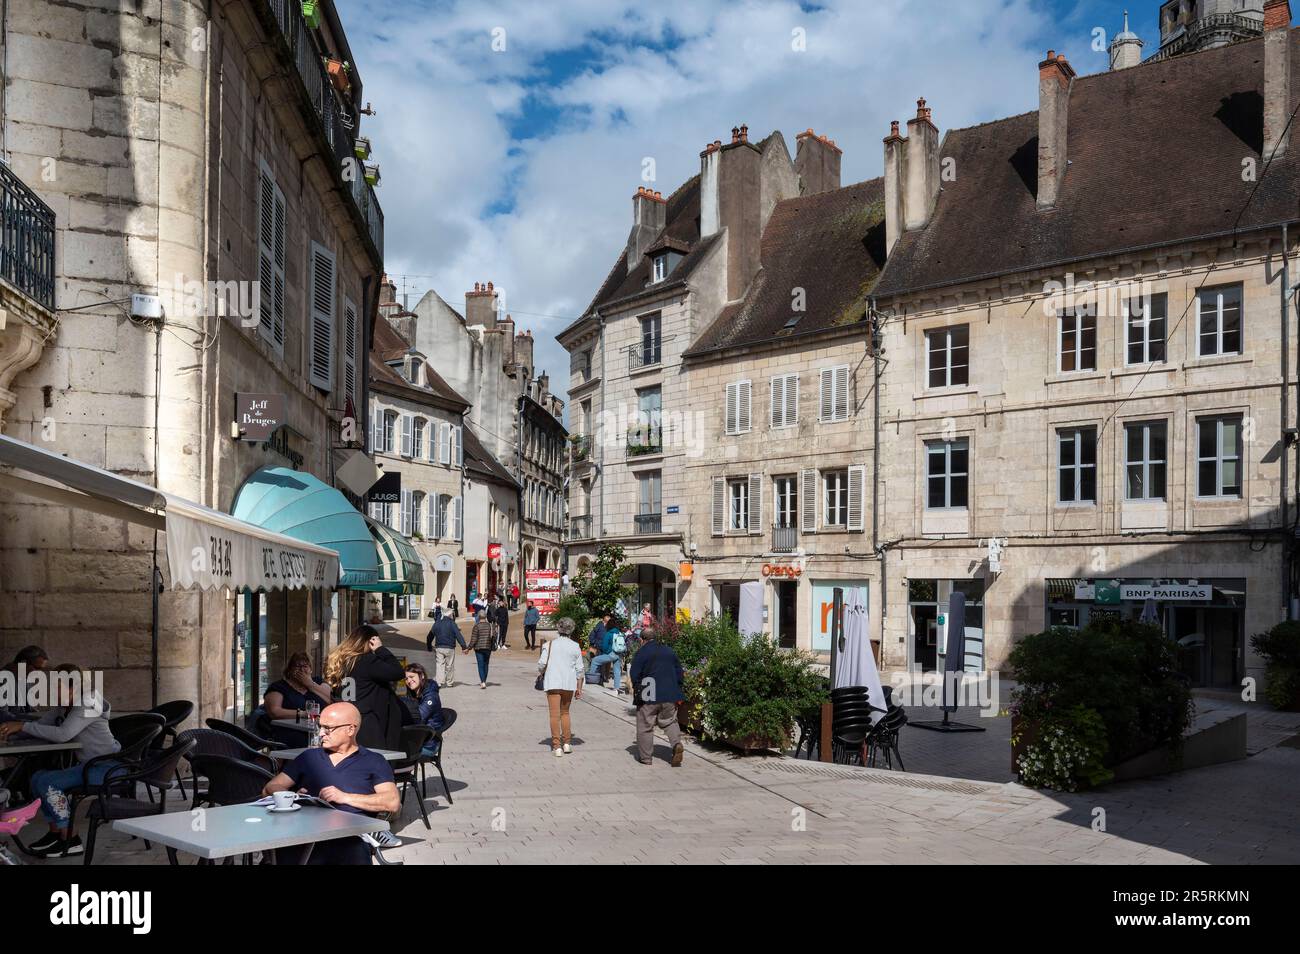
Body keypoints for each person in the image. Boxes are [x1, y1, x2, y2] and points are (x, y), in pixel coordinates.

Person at [0, 664, 120, 857]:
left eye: (57, 687)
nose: (52, 692)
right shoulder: (66, 706)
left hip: (107, 767)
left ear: (74, 687)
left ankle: (70, 839)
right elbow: (41, 726)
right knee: (38, 778)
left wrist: (22, 725)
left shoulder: (88, 704)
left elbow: (63, 734)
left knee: (49, 783)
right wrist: (12, 732)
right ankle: (56, 834)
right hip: (90, 765)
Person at [262, 701, 399, 865]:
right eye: (320, 727)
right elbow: (270, 787)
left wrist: (345, 797)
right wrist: (291, 796)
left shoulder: (373, 761)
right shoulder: (309, 757)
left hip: (349, 837)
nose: (321, 733)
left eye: (328, 728)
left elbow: (392, 802)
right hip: (304, 833)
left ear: (350, 729)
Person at [325, 625, 405, 751]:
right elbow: (398, 672)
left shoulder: (340, 662)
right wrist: (380, 649)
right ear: (370, 641)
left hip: (342, 721)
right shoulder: (367, 661)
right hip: (366, 724)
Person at [629, 627, 685, 767]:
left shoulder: (641, 652)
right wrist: (677, 687)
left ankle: (646, 758)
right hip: (669, 693)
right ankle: (676, 744)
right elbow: (679, 672)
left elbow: (635, 674)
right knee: (670, 721)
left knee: (645, 725)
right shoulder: (669, 650)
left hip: (649, 693)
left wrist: (637, 688)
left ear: (642, 639)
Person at [538, 618, 585, 757]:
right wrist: (579, 687)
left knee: (554, 714)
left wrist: (541, 672)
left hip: (553, 682)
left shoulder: (549, 645)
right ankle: (567, 743)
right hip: (568, 684)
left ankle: (556, 745)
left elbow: (541, 664)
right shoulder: (575, 646)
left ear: (559, 628)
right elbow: (580, 669)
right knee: (565, 713)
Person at [263, 653, 332, 744]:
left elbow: (330, 700)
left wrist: (310, 684)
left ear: (310, 669)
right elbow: (274, 712)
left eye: (305, 666)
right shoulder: (279, 687)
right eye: (297, 666)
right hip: (290, 732)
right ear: (290, 669)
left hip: (320, 732)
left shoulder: (319, 682)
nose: (302, 669)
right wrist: (304, 714)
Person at [402, 664, 445, 758]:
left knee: (397, 754)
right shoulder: (414, 695)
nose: (409, 681)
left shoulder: (431, 696)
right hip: (417, 740)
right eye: (406, 679)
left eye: (412, 677)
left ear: (422, 676)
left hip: (429, 745)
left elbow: (418, 718)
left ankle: (403, 772)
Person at [426, 610, 467, 687]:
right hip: (450, 647)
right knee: (449, 665)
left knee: (439, 665)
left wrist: (429, 645)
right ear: (450, 615)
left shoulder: (437, 623)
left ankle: (439, 682)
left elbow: (430, 636)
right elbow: (458, 635)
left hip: (439, 647)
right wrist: (463, 646)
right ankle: (449, 682)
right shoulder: (452, 623)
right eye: (452, 614)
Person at [586, 620, 626, 695]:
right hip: (619, 654)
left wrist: (606, 653)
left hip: (611, 654)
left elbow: (604, 646)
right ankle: (616, 689)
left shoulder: (608, 633)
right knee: (617, 670)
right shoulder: (619, 633)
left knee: (595, 660)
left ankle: (592, 681)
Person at [465, 610, 496, 689]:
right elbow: (494, 636)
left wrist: (468, 648)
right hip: (488, 647)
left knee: (480, 665)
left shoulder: (476, 626)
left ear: (478, 616)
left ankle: (482, 682)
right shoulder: (490, 625)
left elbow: (474, 639)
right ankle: (484, 680)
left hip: (478, 648)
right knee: (486, 664)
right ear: (485, 616)